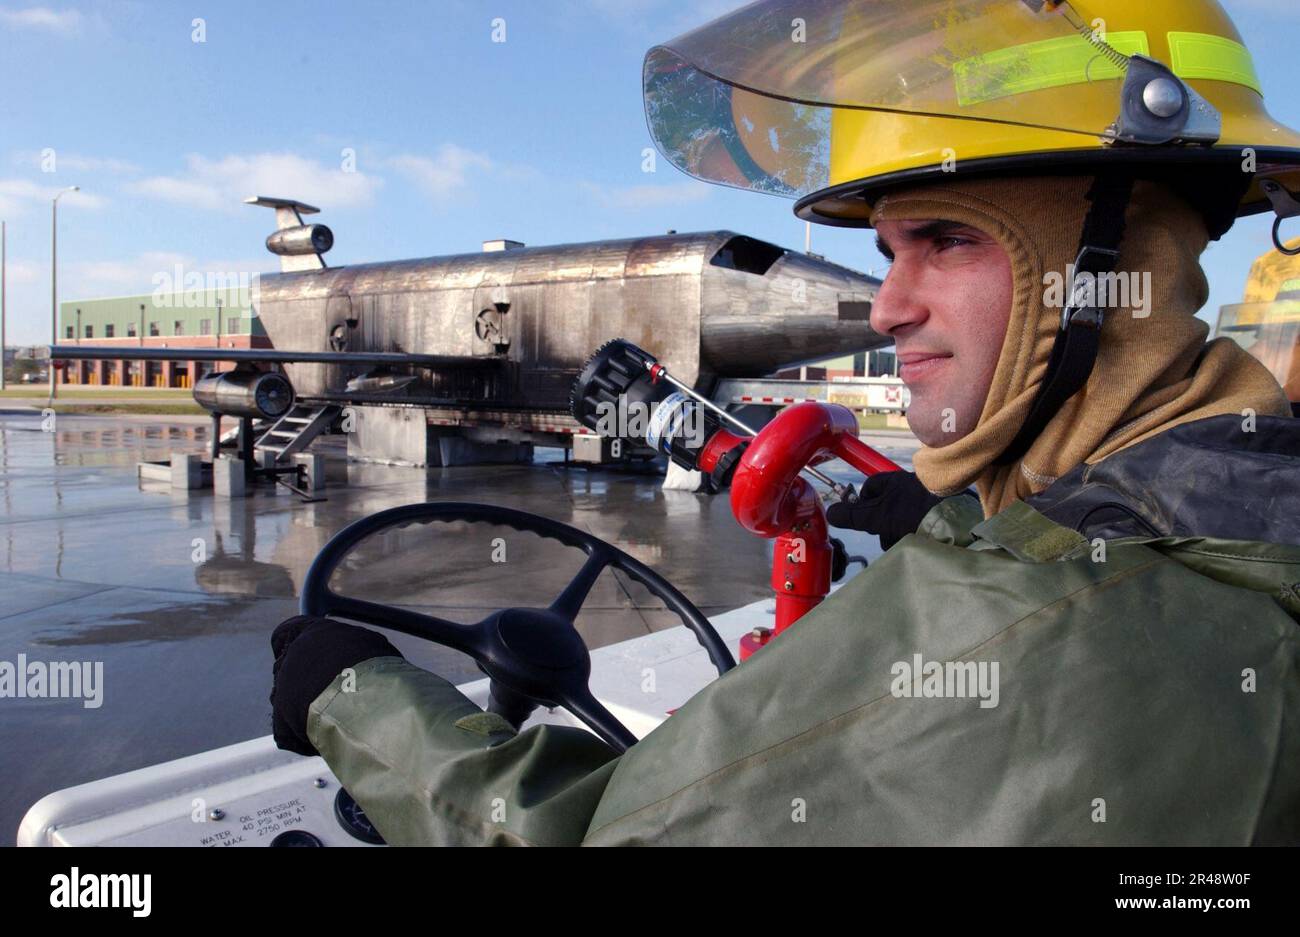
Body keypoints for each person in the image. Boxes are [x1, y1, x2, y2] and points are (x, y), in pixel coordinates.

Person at [270, 0, 1300, 844]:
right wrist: (962, 530)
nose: (887, 305)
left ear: (1111, 268)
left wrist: (355, 696)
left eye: (944, 240)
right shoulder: (1221, 520)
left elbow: (598, 838)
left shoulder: (1043, 630)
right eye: (890, 251)